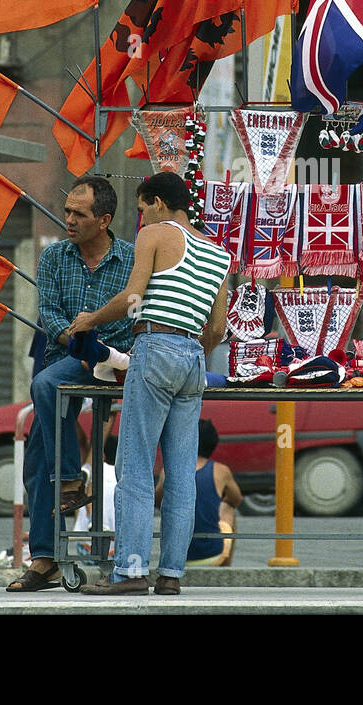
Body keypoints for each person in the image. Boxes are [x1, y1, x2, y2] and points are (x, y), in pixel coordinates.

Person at [69, 171, 231, 596]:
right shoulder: (218, 252)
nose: (139, 218)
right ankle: (171, 574)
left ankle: (129, 571)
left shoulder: (155, 234)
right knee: (180, 474)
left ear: (157, 202)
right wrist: (190, 345)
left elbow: (132, 298)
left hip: (155, 346)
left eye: (142, 208)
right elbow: (217, 328)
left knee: (135, 468)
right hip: (194, 357)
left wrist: (90, 319)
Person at [7, 175, 135, 592]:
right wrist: (77, 342)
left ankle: (66, 486)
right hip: (67, 355)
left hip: (111, 360)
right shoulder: (54, 258)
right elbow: (51, 314)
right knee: (36, 455)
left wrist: (99, 346)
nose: (69, 220)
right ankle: (45, 556)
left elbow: (134, 316)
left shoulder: (132, 260)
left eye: (79, 214)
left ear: (104, 219)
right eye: (67, 212)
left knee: (43, 389)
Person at [156, 418, 242, 567]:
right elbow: (236, 499)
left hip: (176, 557)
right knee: (228, 509)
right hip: (212, 556)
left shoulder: (168, 470)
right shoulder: (221, 471)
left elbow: (157, 501)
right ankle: (225, 566)